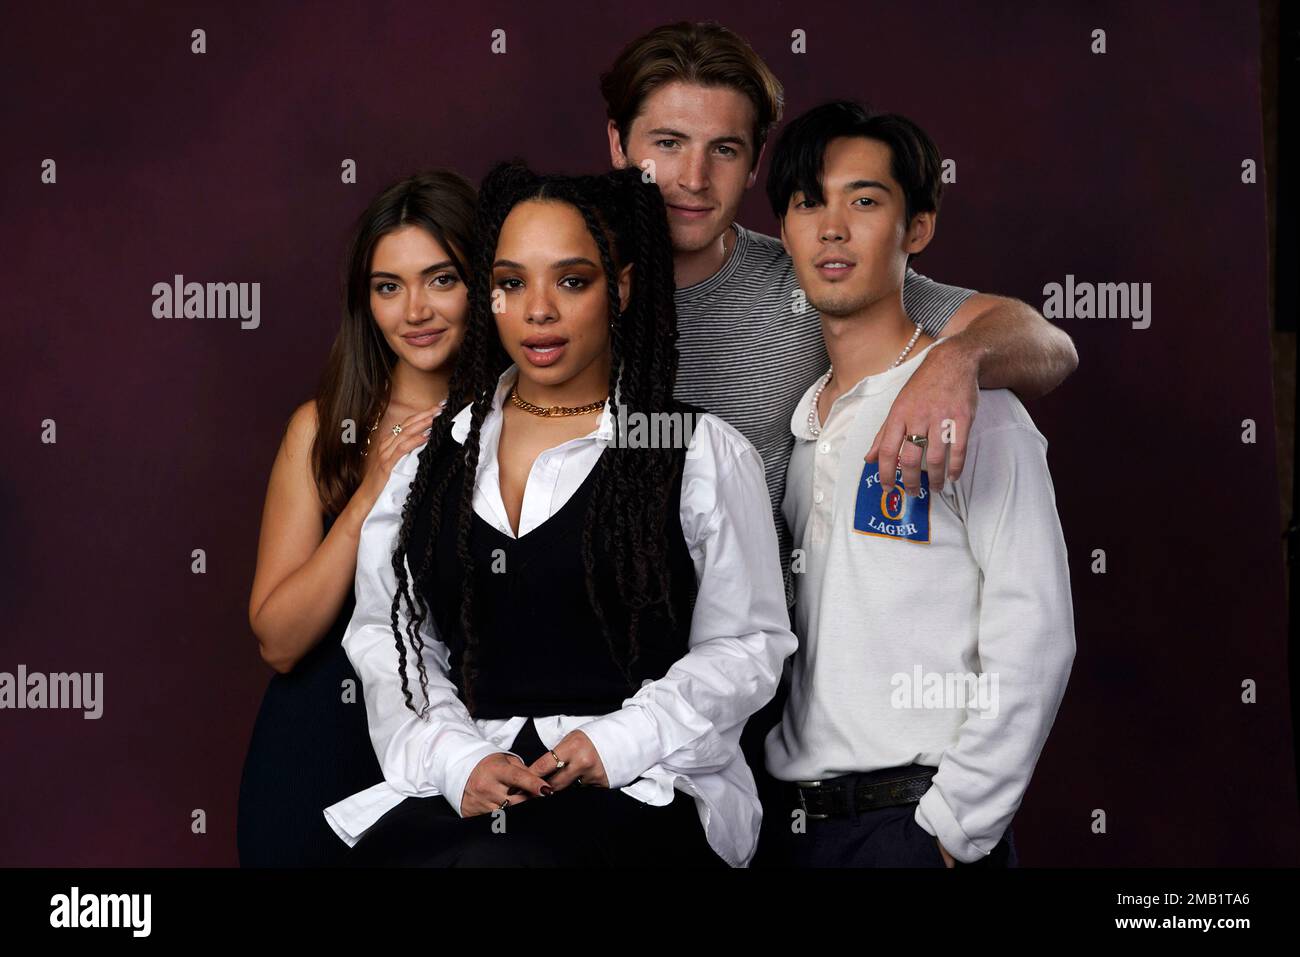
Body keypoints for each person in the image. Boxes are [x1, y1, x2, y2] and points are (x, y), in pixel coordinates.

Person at [322, 161, 797, 867]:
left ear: (623, 287)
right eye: (512, 283)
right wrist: (457, 759)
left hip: (644, 785)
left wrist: (617, 741)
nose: (537, 310)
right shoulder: (432, 460)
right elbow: (388, 640)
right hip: (478, 783)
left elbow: (748, 645)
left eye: (572, 280)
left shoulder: (694, 450)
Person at [759, 101, 1076, 867]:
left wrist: (951, 829)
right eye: (809, 202)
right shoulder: (804, 426)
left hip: (912, 823)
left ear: (918, 228)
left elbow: (1036, 633)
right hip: (794, 828)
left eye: (865, 200)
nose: (832, 227)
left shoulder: (976, 408)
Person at [237, 170, 475, 866]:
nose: (415, 310)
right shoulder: (320, 430)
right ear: (364, 301)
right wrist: (371, 492)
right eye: (388, 286)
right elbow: (279, 640)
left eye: (441, 278)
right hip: (316, 746)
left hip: (455, 749)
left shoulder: (522, 424)